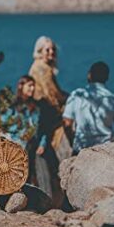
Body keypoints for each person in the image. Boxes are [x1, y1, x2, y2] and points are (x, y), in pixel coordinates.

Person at [0, 75, 61, 206]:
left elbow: (44, 128)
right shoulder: (13, 107)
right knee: (20, 172)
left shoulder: (38, 107)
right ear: (21, 86)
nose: (32, 89)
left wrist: (43, 144)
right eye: (29, 85)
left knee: (41, 171)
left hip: (35, 145)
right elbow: (5, 126)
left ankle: (45, 202)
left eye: (33, 86)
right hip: (19, 146)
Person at [63, 61, 114, 155]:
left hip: (81, 149)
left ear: (89, 75)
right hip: (105, 150)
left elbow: (67, 123)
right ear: (107, 77)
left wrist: (72, 141)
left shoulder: (77, 95)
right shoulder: (113, 99)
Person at [29, 36, 71, 168]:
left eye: (53, 49)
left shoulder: (41, 67)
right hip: (47, 116)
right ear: (40, 51)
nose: (51, 52)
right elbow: (51, 95)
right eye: (47, 50)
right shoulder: (42, 69)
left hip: (43, 113)